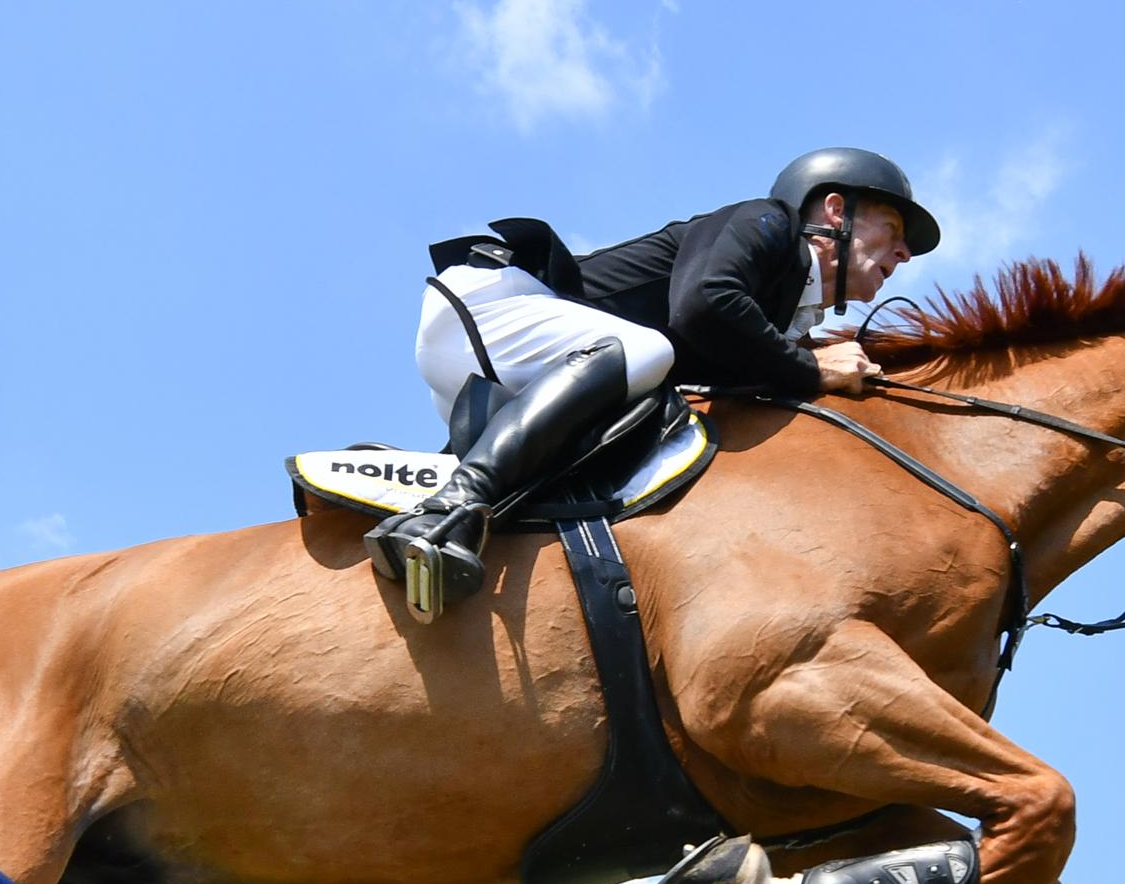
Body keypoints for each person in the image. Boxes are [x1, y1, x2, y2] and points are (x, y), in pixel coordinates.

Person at [365, 147, 943, 621]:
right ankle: (453, 508)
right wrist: (813, 368)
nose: (904, 252)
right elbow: (704, 305)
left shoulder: (785, 310)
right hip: (492, 309)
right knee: (650, 351)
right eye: (893, 228)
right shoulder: (766, 223)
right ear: (835, 211)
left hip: (520, 373)